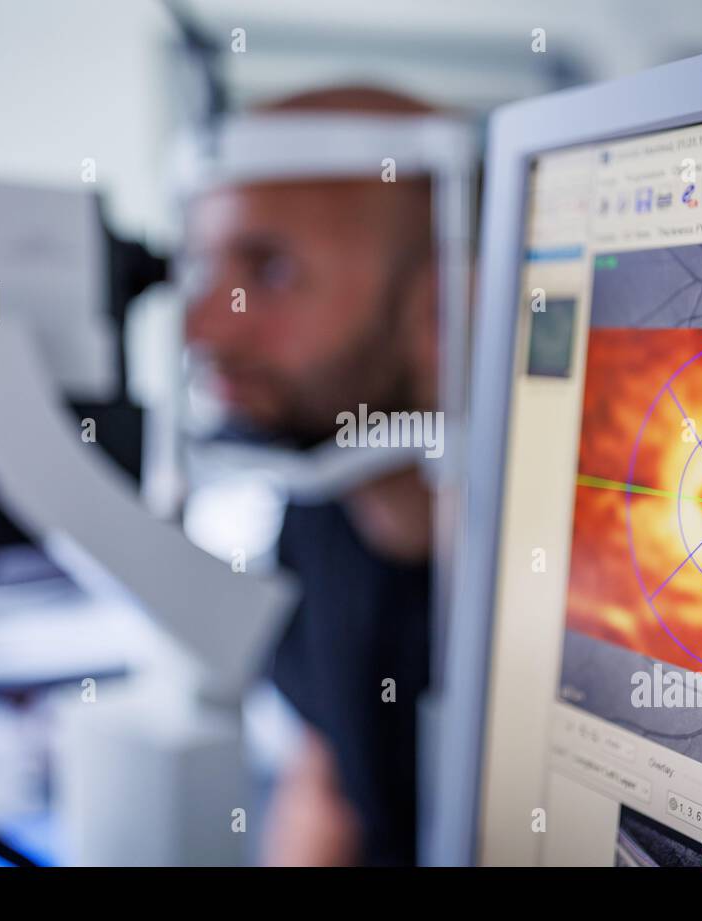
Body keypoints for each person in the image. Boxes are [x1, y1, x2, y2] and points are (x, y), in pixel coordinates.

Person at [182, 86, 447, 865]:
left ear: (441, 307)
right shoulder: (319, 507)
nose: (202, 327)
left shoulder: (551, 584)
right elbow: (326, 775)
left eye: (270, 270)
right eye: (207, 268)